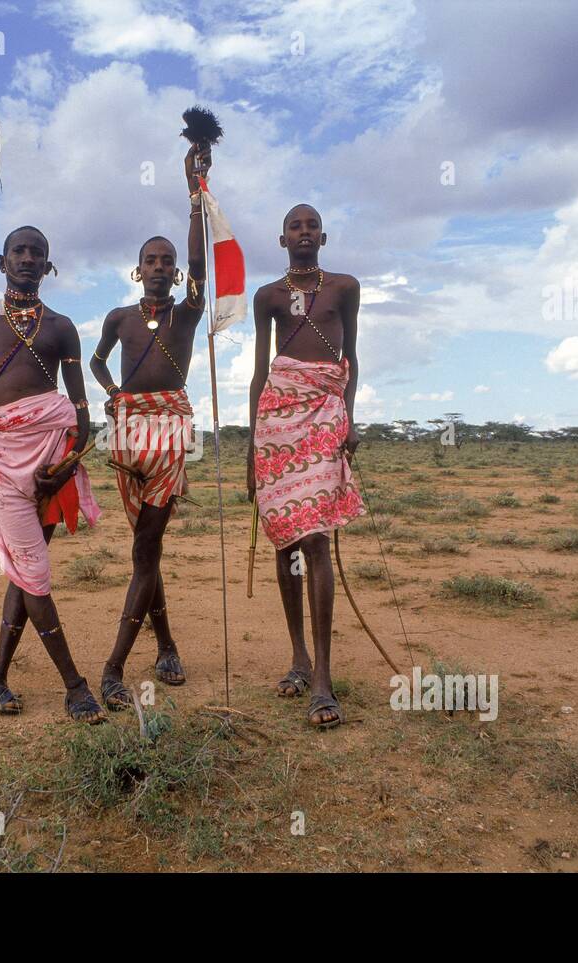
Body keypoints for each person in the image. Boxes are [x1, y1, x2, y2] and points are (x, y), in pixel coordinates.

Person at [0, 225, 105, 723]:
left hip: (52, 458)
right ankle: (75, 686)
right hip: (2, 458)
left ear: (48, 264)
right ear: (2, 261)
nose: (28, 258)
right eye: (19, 250)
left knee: (24, 570)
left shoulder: (61, 327)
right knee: (34, 572)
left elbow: (82, 413)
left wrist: (62, 472)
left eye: (37, 253)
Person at [87, 145, 210, 710]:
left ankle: (113, 668)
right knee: (146, 548)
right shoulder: (119, 318)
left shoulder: (187, 313)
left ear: (177, 273)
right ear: (139, 271)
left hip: (170, 431)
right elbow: (95, 362)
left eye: (168, 262)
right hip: (127, 433)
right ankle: (166, 645)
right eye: (151, 261)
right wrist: (113, 396)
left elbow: (203, 269)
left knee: (146, 547)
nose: (161, 267)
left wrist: (194, 196)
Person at [247, 204, 364, 728]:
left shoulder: (344, 288)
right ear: (281, 238)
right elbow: (258, 373)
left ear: (324, 236)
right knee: (286, 539)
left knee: (316, 538)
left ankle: (322, 677)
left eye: (311, 225)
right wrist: (254, 448)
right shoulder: (268, 297)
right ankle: (297, 657)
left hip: (324, 415)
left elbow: (351, 360)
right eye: (295, 226)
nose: (304, 232)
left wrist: (350, 419)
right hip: (277, 420)